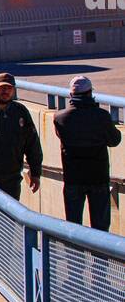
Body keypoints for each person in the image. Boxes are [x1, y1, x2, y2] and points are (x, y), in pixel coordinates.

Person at [53, 76, 121, 232]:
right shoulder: (102, 116)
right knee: (100, 227)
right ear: (90, 93)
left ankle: (74, 254)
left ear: (71, 95)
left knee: (73, 225)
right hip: (98, 177)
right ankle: (100, 256)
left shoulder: (60, 117)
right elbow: (114, 140)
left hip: (73, 177)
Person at [0, 72, 42, 200]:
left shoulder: (20, 111)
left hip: (13, 178)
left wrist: (35, 173)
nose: (6, 91)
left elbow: (32, 144)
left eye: (9, 88)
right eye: (2, 88)